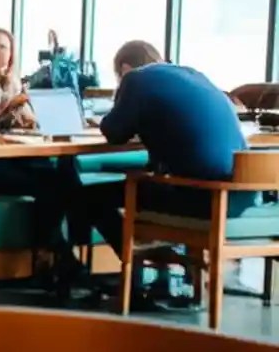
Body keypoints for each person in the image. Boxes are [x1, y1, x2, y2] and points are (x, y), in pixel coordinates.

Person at [81, 40, 255, 254]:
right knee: (142, 183)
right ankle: (160, 261)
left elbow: (114, 133)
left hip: (204, 199)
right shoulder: (194, 75)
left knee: (91, 197)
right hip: (242, 197)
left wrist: (115, 111)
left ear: (124, 69)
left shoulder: (135, 79)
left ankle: (136, 261)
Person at [0, 27, 76, 290]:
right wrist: (4, 107)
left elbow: (31, 121)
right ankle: (55, 256)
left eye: (9, 48)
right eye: (1, 47)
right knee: (49, 183)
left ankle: (55, 254)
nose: (7, 54)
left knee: (59, 174)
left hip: (4, 157)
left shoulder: (2, 86)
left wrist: (16, 94)